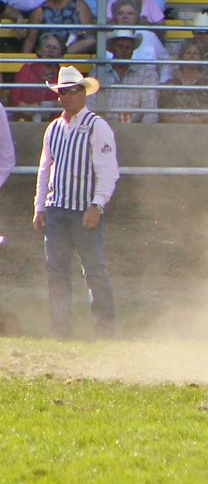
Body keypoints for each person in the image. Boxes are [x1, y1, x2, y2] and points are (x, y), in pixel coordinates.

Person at [33, 66, 120, 339]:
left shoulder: (97, 126)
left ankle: (104, 328)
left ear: (82, 93)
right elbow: (45, 169)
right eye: (63, 92)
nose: (67, 97)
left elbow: (108, 171)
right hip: (57, 208)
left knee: (94, 270)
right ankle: (61, 329)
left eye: (72, 91)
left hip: (84, 209)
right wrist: (39, 206)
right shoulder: (54, 128)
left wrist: (97, 205)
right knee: (57, 270)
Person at [93, 29, 161, 124]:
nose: (124, 50)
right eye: (120, 46)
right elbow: (90, 104)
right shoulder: (98, 72)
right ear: (112, 48)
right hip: (102, 126)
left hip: (135, 128)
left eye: (128, 47)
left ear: (132, 50)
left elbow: (150, 109)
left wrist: (146, 133)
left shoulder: (146, 73)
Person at [23, 0, 94, 55]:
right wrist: (22, 63)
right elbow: (30, 41)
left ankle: (61, 53)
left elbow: (90, 35)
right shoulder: (39, 11)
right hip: (47, 53)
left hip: (73, 52)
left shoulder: (79, 5)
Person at [162, 39, 208, 123]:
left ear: (201, 58)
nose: (192, 55)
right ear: (181, 57)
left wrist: (197, 120)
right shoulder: (170, 85)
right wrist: (181, 121)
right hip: (176, 130)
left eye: (196, 53)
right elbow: (162, 114)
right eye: (188, 53)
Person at [8, 34, 66, 122]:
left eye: (55, 48)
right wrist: (34, 109)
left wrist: (49, 105)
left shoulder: (64, 75)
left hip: (57, 124)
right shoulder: (27, 69)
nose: (51, 50)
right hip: (27, 122)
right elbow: (14, 99)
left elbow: (69, 103)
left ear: (61, 55)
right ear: (39, 51)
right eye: (48, 46)